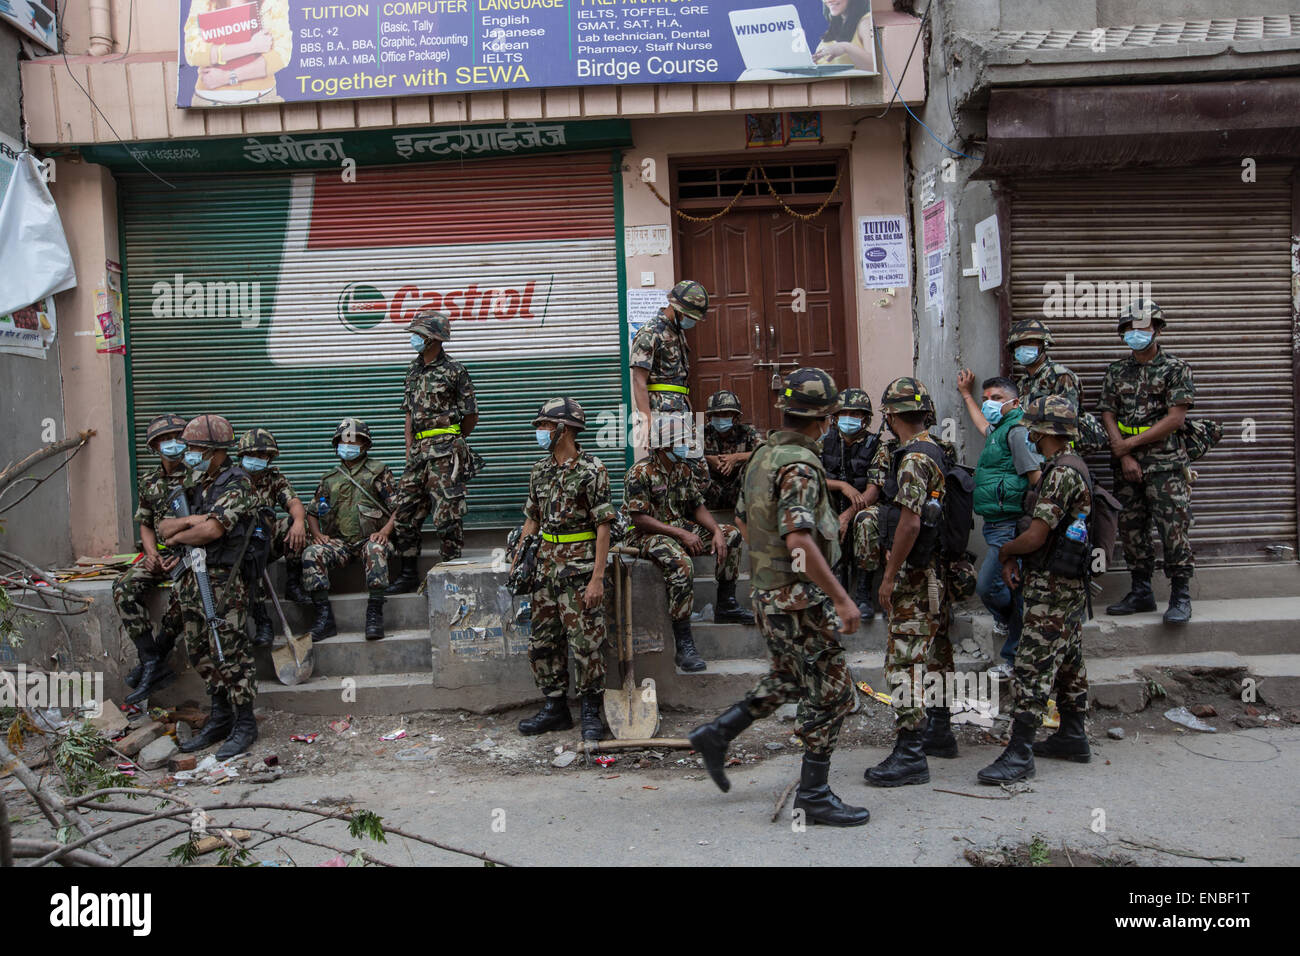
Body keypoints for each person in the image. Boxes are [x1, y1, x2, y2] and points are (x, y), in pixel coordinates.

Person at [689, 368, 868, 827]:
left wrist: (765, 575)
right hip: (798, 600)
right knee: (833, 694)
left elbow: (747, 522)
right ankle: (814, 794)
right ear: (824, 419)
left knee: (790, 678)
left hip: (770, 595)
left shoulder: (764, 456)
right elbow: (799, 542)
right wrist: (842, 599)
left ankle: (717, 733)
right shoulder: (800, 466)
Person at [979, 397, 1093, 783]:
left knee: (1032, 665)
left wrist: (1008, 552)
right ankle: (1073, 735)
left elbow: (1037, 534)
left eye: (1032, 428)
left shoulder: (1061, 474)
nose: (1028, 433)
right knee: (1068, 659)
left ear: (1044, 431)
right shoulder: (1067, 466)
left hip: (1054, 586)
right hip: (1066, 583)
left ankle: (1019, 752)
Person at [157, 415, 261, 760]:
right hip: (190, 576)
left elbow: (213, 532)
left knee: (229, 650)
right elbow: (162, 527)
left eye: (196, 448)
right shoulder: (192, 482)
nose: (189, 453)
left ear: (216, 451)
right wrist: (188, 522)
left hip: (222, 580)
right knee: (199, 648)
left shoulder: (238, 483)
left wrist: (181, 533)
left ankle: (245, 722)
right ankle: (220, 717)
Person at [862, 378, 948, 788]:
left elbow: (910, 522)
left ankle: (910, 752)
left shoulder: (913, 459)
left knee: (903, 661)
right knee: (935, 653)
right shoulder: (938, 449)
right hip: (936, 571)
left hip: (915, 576)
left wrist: (889, 576)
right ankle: (941, 733)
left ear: (891, 416)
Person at [515, 398, 615, 741]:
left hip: (579, 569)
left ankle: (590, 712)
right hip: (544, 567)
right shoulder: (539, 471)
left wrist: (597, 577)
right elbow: (532, 518)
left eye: (544, 426)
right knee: (542, 642)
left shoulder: (592, 469)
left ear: (564, 429)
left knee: (586, 643)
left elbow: (604, 525)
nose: (540, 432)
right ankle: (555, 708)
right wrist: (521, 556)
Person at [624, 414, 753, 672]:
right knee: (681, 564)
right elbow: (638, 519)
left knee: (731, 535)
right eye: (681, 441)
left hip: (678, 528)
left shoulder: (682, 468)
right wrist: (681, 534)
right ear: (665, 446)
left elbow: (696, 505)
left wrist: (715, 530)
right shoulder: (640, 472)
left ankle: (726, 604)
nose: (686, 445)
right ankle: (684, 642)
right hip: (646, 535)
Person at [1099, 299, 1196, 625]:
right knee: (1131, 529)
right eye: (1129, 329)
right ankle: (1141, 592)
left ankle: (1180, 595)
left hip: (1165, 464)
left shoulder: (1175, 369)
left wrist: (1130, 444)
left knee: (1173, 530)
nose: (1135, 334)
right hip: (1126, 465)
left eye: (1142, 328)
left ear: (1156, 329)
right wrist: (1123, 454)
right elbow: (1107, 412)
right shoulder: (1117, 370)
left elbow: (1175, 419)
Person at [955, 373, 1042, 678]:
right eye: (986, 398)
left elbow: (1036, 477)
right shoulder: (999, 429)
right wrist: (966, 395)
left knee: (992, 587)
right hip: (995, 523)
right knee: (1002, 589)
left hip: (1009, 526)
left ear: (1015, 402)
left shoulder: (1017, 432)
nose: (989, 404)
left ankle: (1012, 659)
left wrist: (1032, 522)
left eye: (996, 399)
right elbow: (982, 425)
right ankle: (1009, 624)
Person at [386, 309, 478, 594]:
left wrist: (453, 442)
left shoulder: (455, 371)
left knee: (447, 516)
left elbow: (471, 414)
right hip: (418, 453)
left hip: (445, 451)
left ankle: (451, 571)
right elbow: (409, 416)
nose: (414, 339)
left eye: (420, 334)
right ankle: (408, 573)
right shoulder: (412, 371)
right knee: (404, 512)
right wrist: (409, 451)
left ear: (434, 338)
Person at [112, 414, 191, 705]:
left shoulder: (198, 476)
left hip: (192, 553)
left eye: (177, 437)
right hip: (162, 554)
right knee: (123, 588)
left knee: (186, 598)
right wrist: (152, 554)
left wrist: (180, 551)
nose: (172, 444)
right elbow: (145, 522)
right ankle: (150, 660)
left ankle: (157, 657)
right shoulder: (150, 482)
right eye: (165, 439)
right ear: (155, 446)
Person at [302, 419, 398, 641]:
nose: (349, 444)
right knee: (311, 553)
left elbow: (399, 509)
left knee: (375, 549)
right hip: (341, 544)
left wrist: (384, 532)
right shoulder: (329, 478)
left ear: (364, 444)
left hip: (370, 540)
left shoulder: (378, 471)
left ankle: (374, 613)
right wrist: (317, 535)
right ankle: (323, 618)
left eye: (354, 440)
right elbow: (312, 511)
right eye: (344, 440)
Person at [235, 428, 308, 647]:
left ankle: (293, 582)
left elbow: (293, 502)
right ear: (242, 456)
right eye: (253, 455)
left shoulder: (273, 478)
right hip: (237, 548)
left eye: (262, 455)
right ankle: (262, 620)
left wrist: (298, 522)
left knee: (292, 526)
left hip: (263, 541)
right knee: (250, 559)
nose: (257, 460)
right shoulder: (230, 478)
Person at [629, 280, 709, 454]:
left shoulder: (677, 332)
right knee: (671, 469)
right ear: (679, 310)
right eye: (692, 317)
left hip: (679, 410)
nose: (692, 322)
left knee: (691, 470)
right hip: (661, 414)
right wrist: (646, 420)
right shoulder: (651, 332)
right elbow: (638, 379)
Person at [821, 387, 879, 621]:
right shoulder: (823, 443)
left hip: (862, 508)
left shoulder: (877, 446)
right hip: (831, 504)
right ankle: (832, 588)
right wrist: (842, 486)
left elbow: (875, 489)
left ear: (865, 418)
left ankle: (863, 593)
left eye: (855, 414)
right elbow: (812, 477)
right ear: (834, 417)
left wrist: (847, 515)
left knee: (866, 521)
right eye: (844, 413)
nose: (849, 419)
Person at [1006, 317, 1107, 452]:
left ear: (1044, 345)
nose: (1023, 347)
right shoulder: (1021, 382)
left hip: (1056, 451)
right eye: (1018, 344)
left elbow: (1068, 421)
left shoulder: (1061, 376)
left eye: (1030, 342)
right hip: (1033, 449)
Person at [183, 0, 294, 104]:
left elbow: (281, 54)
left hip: (262, 98)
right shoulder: (204, 2)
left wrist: (226, 77)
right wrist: (252, 46)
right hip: (209, 100)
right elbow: (193, 51)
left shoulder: (273, 2)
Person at [701, 389, 762, 512]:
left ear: (736, 417)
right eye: (716, 415)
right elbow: (685, 456)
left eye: (725, 414)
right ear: (709, 417)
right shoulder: (701, 433)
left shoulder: (747, 432)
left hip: (738, 491)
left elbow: (766, 452)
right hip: (710, 490)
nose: (720, 418)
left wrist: (737, 458)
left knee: (756, 464)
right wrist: (707, 459)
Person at [811, 0, 875, 72]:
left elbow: (874, 67)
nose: (828, 1)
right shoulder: (837, 23)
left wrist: (845, 47)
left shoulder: (866, 22)